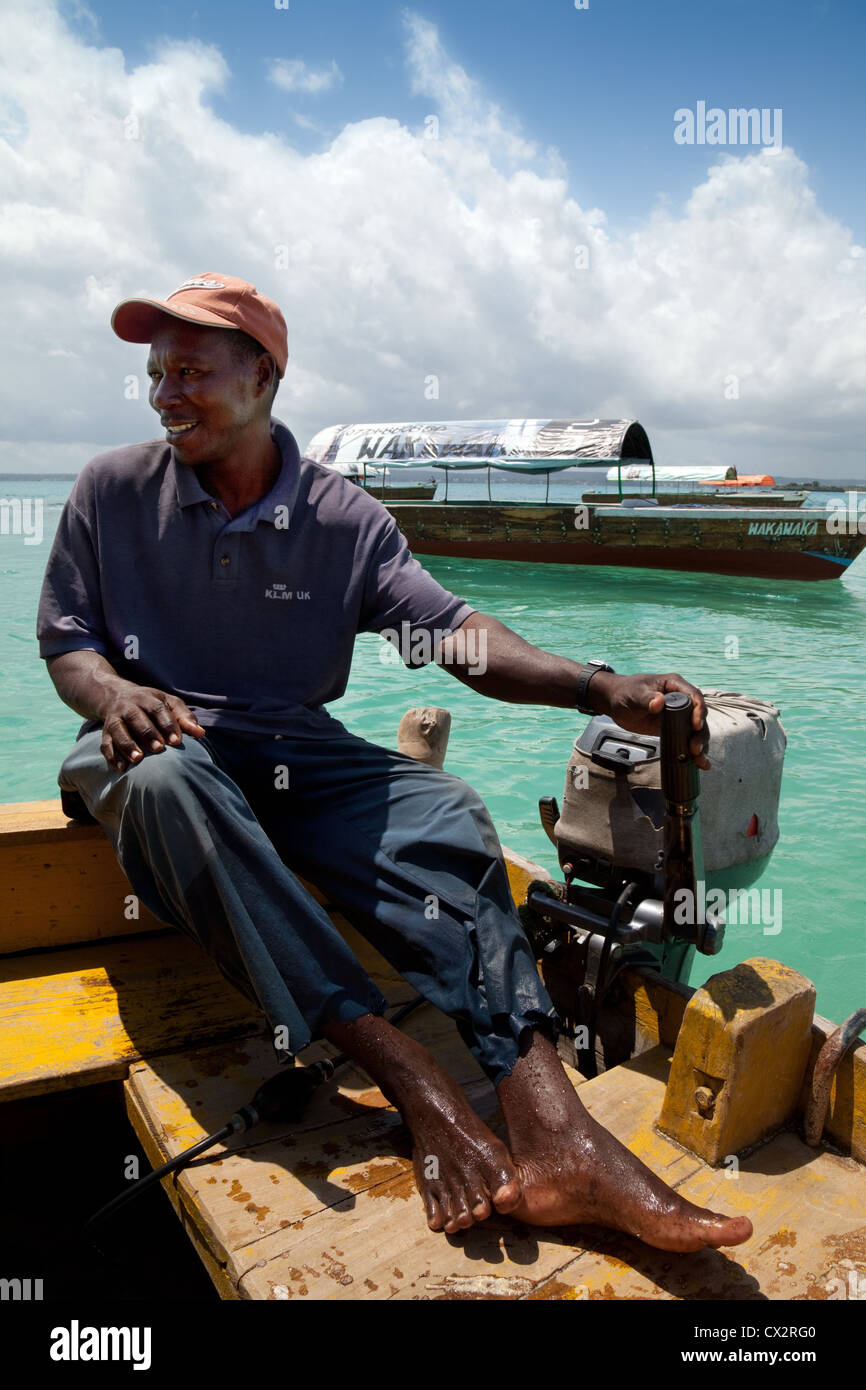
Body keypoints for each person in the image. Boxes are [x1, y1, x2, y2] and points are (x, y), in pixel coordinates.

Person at [37, 272, 752, 1253]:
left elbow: (453, 636)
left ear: (263, 375)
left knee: (446, 811)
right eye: (157, 374)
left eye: (191, 371)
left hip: (290, 744)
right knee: (169, 780)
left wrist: (594, 685)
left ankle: (556, 1137)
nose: (165, 392)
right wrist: (116, 697)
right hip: (148, 742)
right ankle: (410, 1075)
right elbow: (69, 646)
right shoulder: (111, 491)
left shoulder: (343, 520)